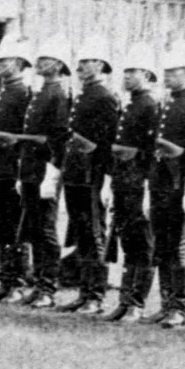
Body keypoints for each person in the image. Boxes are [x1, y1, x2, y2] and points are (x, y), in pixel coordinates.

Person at [145, 44, 185, 327]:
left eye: (174, 71)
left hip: (179, 185)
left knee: (178, 247)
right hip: (160, 183)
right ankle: (166, 302)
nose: (168, 75)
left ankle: (179, 308)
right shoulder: (166, 104)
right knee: (162, 244)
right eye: (167, 71)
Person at [57, 42, 121, 315]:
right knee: (81, 233)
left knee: (94, 234)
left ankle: (95, 295)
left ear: (101, 64)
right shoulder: (83, 94)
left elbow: (108, 143)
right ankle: (85, 292)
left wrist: (106, 179)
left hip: (92, 174)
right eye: (80, 61)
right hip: (76, 174)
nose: (81, 66)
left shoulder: (104, 96)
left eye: (88, 61)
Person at [16, 37, 73, 309]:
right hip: (30, 168)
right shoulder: (41, 92)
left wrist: (53, 172)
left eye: (45, 60)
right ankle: (39, 283)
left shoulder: (58, 95)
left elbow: (58, 138)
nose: (39, 64)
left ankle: (48, 287)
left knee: (46, 229)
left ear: (58, 64)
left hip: (45, 169)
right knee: (35, 229)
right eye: (38, 60)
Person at [105, 50, 160, 320]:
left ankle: (136, 303)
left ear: (147, 75)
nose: (127, 77)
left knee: (142, 243)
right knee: (127, 241)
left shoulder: (150, 105)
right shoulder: (130, 104)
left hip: (139, 183)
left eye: (133, 72)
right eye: (125, 72)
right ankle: (125, 300)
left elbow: (151, 152)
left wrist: (149, 187)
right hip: (123, 182)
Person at [0, 35, 35, 302]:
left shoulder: (24, 93)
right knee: (3, 226)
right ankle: (6, 279)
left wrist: (19, 169)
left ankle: (17, 280)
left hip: (13, 169)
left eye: (4, 60)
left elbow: (26, 135)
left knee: (15, 226)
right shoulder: (3, 91)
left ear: (17, 63)